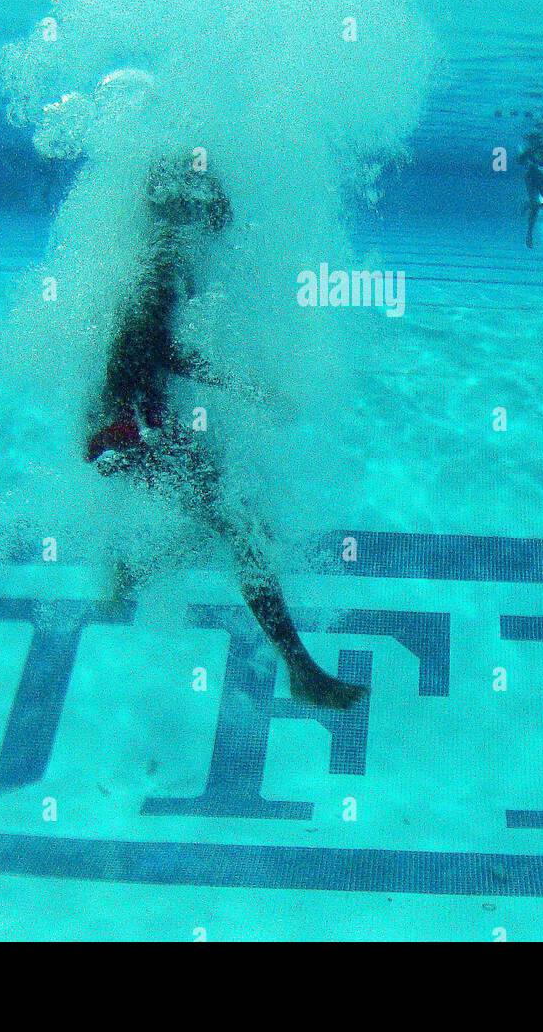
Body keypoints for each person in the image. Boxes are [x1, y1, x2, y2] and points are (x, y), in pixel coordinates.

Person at [86, 157, 367, 709]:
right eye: (214, 199)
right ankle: (300, 670)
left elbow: (138, 352)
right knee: (241, 529)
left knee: (231, 518)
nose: (225, 213)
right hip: (125, 435)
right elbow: (153, 348)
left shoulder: (159, 255)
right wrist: (249, 389)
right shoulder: (163, 262)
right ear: (187, 204)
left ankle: (128, 575)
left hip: (127, 429)